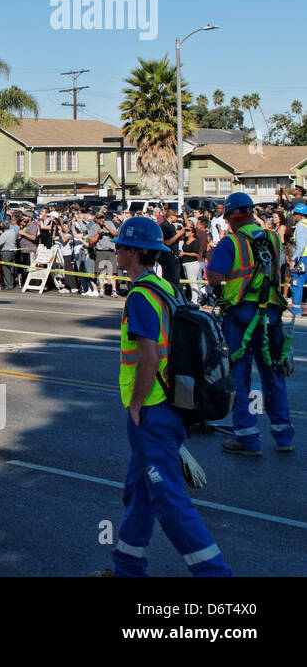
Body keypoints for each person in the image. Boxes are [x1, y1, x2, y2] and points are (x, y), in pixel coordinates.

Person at [101, 216, 231, 577]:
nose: (117, 252)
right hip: (171, 404)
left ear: (133, 252)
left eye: (121, 247)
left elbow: (148, 355)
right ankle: (127, 567)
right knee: (139, 491)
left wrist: (138, 404)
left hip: (153, 409)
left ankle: (216, 575)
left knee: (170, 501)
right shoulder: (164, 287)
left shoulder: (141, 295)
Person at [205, 192, 294, 455]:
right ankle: (284, 435)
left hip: (241, 317)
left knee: (239, 378)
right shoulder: (273, 239)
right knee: (274, 374)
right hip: (271, 316)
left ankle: (247, 438)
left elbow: (213, 277)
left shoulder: (230, 243)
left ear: (232, 218)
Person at [179, 224, 203, 305]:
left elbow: (196, 254)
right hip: (185, 263)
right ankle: (191, 298)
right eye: (186, 230)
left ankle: (195, 300)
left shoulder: (195, 242)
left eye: (188, 230)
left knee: (193, 282)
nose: (186, 232)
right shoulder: (185, 241)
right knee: (189, 282)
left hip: (192, 263)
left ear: (193, 233)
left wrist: (185, 253)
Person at [290, 203, 307, 318]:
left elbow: (300, 246)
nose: (293, 217)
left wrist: (293, 259)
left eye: (294, 214)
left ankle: (296, 311)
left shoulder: (301, 225)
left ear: (298, 215)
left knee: (297, 283)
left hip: (304, 258)